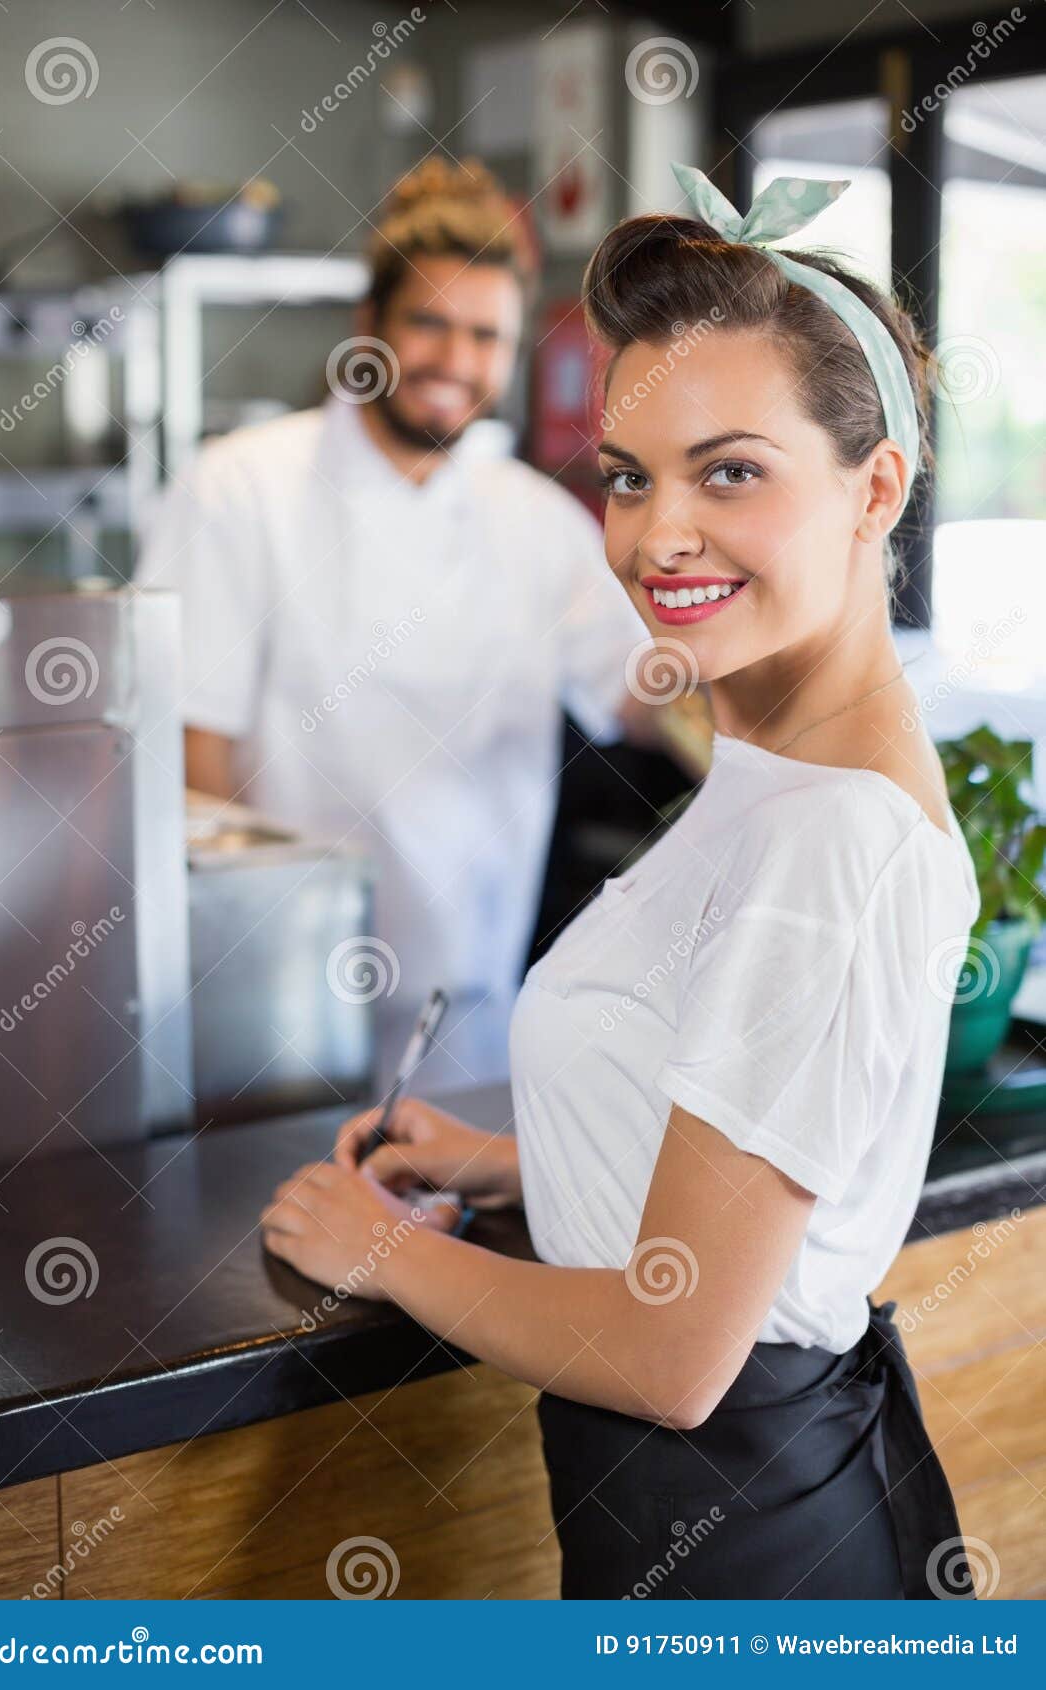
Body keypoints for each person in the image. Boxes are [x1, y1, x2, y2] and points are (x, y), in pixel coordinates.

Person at [259, 168, 982, 1600]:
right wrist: (512, 1163)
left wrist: (384, 1252)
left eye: (729, 471)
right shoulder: (779, 770)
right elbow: (761, 1196)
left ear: (873, 486)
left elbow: (672, 1352)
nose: (655, 537)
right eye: (629, 475)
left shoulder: (828, 836)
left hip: (753, 1559)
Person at [134, 158, 663, 1084]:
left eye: (484, 336)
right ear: (368, 327)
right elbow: (191, 763)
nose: (454, 363)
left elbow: (639, 695)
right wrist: (235, 971)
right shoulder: (239, 488)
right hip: (272, 1016)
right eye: (428, 323)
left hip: (472, 1012)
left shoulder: (536, 522)